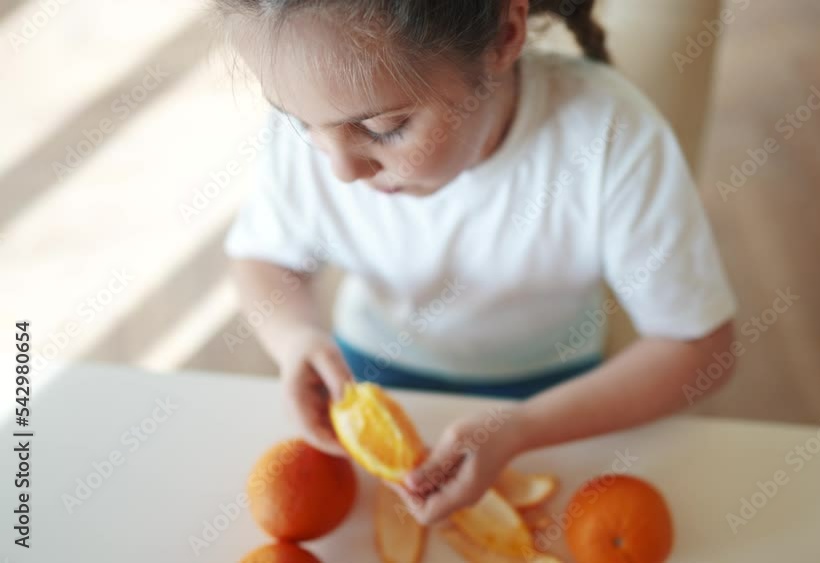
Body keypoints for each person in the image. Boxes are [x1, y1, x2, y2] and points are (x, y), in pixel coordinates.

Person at [219, 0, 737, 525]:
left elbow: (698, 347)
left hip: (556, 394)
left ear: (505, 35)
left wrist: (522, 428)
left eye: (384, 129)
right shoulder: (322, 121)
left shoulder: (608, 136)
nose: (342, 171)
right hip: (365, 379)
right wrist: (293, 339)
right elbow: (263, 255)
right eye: (301, 123)